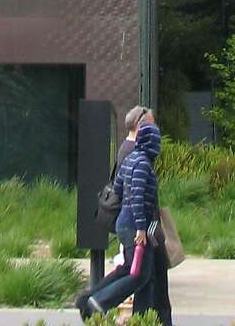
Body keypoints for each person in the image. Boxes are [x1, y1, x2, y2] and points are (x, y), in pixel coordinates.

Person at [82, 117, 170, 322]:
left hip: (126, 222)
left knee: (137, 272)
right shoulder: (142, 164)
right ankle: (99, 302)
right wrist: (140, 228)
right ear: (152, 143)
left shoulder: (131, 160)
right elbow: (137, 197)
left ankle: (137, 315)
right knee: (138, 274)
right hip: (136, 227)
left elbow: (119, 189)